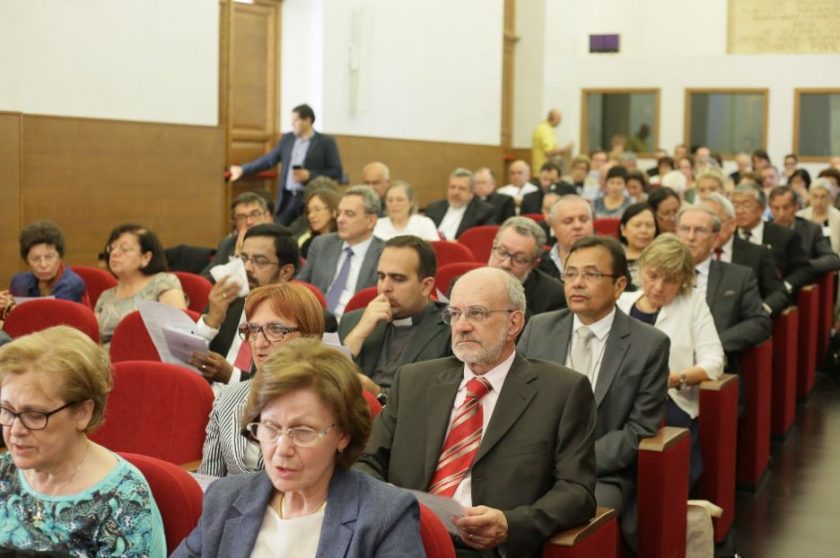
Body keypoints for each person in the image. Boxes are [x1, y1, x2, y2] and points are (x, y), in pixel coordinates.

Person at [356, 267, 597, 557]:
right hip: (401, 539)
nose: (462, 326)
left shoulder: (561, 391)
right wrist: (388, 501)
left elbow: (577, 492)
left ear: (514, 323)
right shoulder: (414, 380)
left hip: (486, 550)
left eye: (477, 313)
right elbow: (365, 459)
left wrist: (511, 524)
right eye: (455, 314)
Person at [177, 338, 424, 558]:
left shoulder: (386, 515)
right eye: (271, 428)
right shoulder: (225, 498)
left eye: (303, 431)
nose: (282, 449)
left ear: (344, 435)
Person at [517, 236, 669, 551]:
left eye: (591, 274)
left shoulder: (649, 344)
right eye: (570, 274)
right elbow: (515, 404)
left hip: (600, 474)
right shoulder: (539, 328)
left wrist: (573, 464)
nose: (577, 283)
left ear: (619, 285)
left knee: (564, 518)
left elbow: (639, 430)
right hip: (532, 465)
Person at [0, 326, 165, 556]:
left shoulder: (123, 500)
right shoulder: (4, 469)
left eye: (35, 415)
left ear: (82, 413)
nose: (15, 430)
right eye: (7, 410)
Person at [617, 234, 724, 487]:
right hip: (619, 400)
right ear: (641, 268)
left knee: (668, 453)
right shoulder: (621, 302)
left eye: (670, 281)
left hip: (670, 399)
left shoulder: (692, 304)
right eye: (652, 276)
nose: (658, 287)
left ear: (684, 281)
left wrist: (675, 379)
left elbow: (714, 361)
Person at [198, 282, 325, 477]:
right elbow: (208, 480)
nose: (259, 342)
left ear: (308, 337)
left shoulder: (328, 402)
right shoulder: (227, 397)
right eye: (253, 329)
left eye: (275, 329)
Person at [338, 236, 450, 399]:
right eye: (381, 276)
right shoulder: (352, 321)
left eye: (398, 279)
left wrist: (377, 394)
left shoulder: (450, 331)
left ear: (426, 286)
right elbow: (323, 383)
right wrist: (358, 334)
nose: (385, 287)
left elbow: (437, 402)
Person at [192, 225, 300, 385]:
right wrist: (211, 321)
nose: (247, 268)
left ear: (285, 272)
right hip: (207, 397)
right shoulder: (229, 299)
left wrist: (230, 375)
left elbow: (287, 385)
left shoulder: (301, 319)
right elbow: (188, 360)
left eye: (260, 261)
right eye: (243, 259)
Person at [676, 207, 771, 374]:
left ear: (714, 239)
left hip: (717, 369)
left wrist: (712, 344)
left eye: (699, 230)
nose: (690, 237)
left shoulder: (739, 276)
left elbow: (759, 323)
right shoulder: (656, 276)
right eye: (685, 229)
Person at [229, 104, 343, 226]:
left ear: (307, 121)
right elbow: (269, 160)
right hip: (287, 198)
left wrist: (309, 175)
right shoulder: (287, 139)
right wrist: (243, 169)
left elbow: (336, 172)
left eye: (295, 121)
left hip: (308, 198)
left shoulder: (325, 142)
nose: (292, 124)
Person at [296, 186, 385, 317]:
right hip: (316, 321)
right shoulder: (321, 244)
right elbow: (300, 285)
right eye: (339, 213)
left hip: (357, 324)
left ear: (371, 221)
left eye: (349, 214)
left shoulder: (385, 253)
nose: (340, 219)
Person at [95, 224, 187, 346]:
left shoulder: (163, 283)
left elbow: (180, 334)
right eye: (112, 248)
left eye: (125, 249)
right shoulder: (106, 296)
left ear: (146, 257)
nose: (114, 253)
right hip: (105, 361)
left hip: (149, 359)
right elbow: (94, 342)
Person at [701, 193, 789, 318]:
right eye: (703, 227)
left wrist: (760, 312)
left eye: (715, 224)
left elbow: (779, 293)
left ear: (732, 224)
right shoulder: (691, 254)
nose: (710, 231)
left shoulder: (758, 254)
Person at [732, 183, 813, 296]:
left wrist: (784, 288)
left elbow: (803, 271)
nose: (739, 211)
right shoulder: (726, 236)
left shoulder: (785, 236)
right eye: (735, 205)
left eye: (746, 205)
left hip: (770, 296)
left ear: (761, 209)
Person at [1, 221, 86, 317]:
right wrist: (3, 304)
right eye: (35, 259)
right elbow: (7, 319)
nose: (43, 264)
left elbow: (50, 319)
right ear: (27, 261)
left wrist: (13, 308)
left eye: (49, 257)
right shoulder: (19, 282)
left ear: (60, 257)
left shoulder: (71, 284)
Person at [488, 217, 566, 317]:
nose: (506, 264)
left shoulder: (554, 297)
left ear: (533, 264)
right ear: (493, 246)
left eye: (519, 259)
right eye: (502, 252)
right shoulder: (466, 283)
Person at [769, 186, 840, 276]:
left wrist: (805, 266)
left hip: (801, 282)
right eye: (776, 208)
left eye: (786, 208)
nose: (781, 214)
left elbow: (832, 259)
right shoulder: (765, 229)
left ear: (796, 207)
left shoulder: (811, 230)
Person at [201, 192, 274, 280]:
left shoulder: (278, 244)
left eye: (255, 214)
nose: (249, 222)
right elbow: (209, 278)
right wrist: (237, 258)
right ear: (235, 223)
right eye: (241, 217)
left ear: (267, 216)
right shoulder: (227, 244)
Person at [425, 168, 496, 240]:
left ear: (472, 192)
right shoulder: (433, 208)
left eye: (461, 188)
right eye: (452, 187)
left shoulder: (483, 211)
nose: (455, 192)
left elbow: (482, 240)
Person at [539, 195, 595, 279]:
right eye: (568, 221)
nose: (577, 226)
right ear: (553, 226)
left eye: (584, 219)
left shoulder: (610, 260)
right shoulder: (539, 265)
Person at [373, 181, 439, 241]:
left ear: (411, 202)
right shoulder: (377, 225)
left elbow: (434, 250)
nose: (394, 204)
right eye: (390, 200)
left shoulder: (425, 223)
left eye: (399, 199)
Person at [298, 181, 340, 259]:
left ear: (334, 211)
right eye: (309, 211)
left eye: (317, 209)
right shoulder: (308, 245)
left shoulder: (343, 242)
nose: (311, 216)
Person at [798, 177, 840, 254]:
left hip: (834, 261)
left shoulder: (838, 217)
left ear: (830, 197)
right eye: (815, 196)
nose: (819, 201)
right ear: (809, 196)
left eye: (823, 197)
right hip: (807, 262)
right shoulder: (800, 216)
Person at [619, 203, 656, 287]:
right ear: (623, 229)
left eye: (649, 225)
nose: (644, 230)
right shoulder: (614, 260)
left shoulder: (664, 260)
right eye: (637, 225)